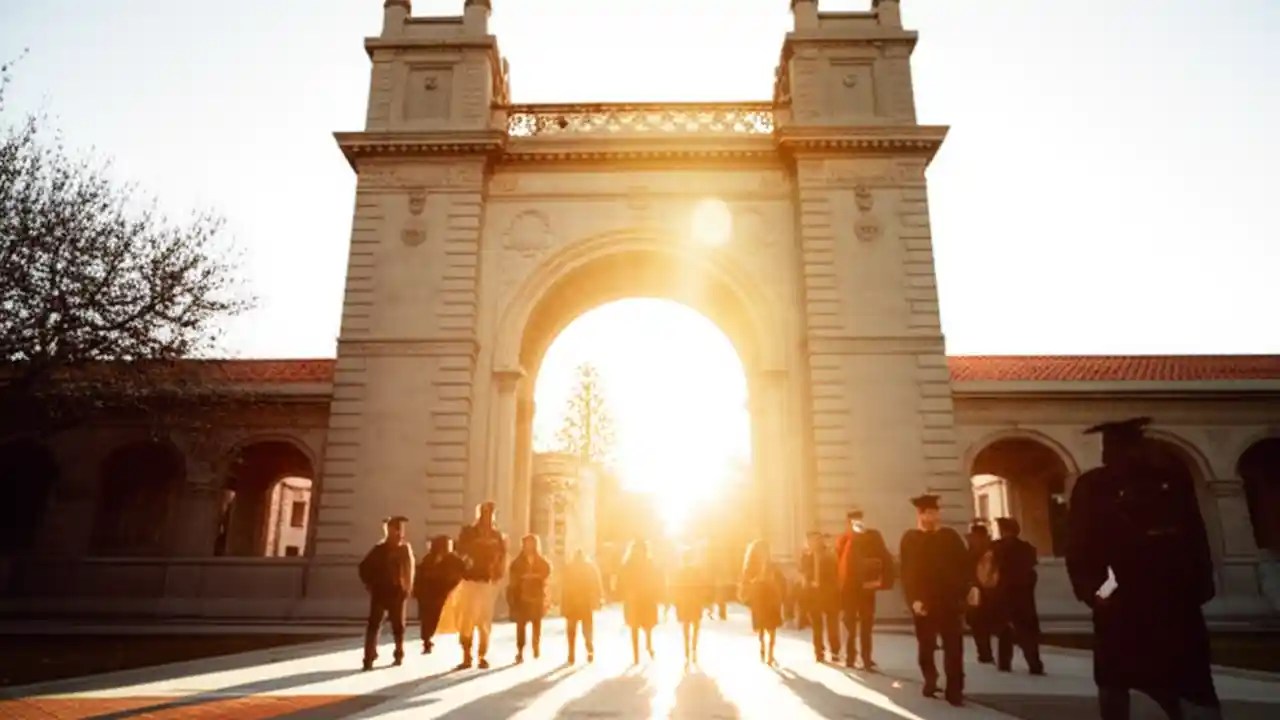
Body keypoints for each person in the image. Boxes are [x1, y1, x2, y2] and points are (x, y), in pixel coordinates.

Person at [1066, 417, 1220, 720]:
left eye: (1112, 447)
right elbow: (1197, 538)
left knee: (1171, 682)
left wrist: (1098, 593)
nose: (1107, 454)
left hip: (1155, 599)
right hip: (1151, 599)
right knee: (1129, 681)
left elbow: (1080, 549)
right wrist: (1099, 593)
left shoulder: (1161, 481)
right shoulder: (1168, 479)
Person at [900, 494, 971, 707]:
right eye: (928, 513)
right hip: (924, 602)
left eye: (935, 512)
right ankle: (930, 679)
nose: (933, 516)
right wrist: (913, 600)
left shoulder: (949, 537)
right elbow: (907, 573)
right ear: (920, 515)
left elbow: (964, 564)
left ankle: (955, 689)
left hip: (950, 600)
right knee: (926, 645)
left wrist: (970, 587)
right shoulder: (910, 539)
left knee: (954, 646)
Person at [836, 508, 895, 670]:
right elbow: (838, 564)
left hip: (866, 587)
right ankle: (851, 657)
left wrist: (881, 581)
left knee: (866, 624)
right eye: (851, 522)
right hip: (848, 588)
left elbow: (884, 557)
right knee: (850, 624)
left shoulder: (872, 537)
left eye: (858, 521)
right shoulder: (843, 540)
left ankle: (866, 657)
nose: (855, 525)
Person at [454, 501, 508, 670]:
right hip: (470, 581)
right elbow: (460, 551)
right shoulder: (468, 533)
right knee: (467, 620)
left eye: (490, 513)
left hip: (486, 582)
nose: (487, 516)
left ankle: (482, 655)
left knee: (484, 621)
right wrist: (465, 563)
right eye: (484, 513)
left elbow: (502, 556)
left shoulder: (497, 536)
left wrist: (498, 574)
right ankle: (466, 655)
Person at [358, 516, 416, 671]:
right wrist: (371, 584)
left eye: (398, 529)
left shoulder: (404, 549)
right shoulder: (379, 549)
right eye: (393, 529)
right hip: (381, 592)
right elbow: (363, 568)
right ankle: (369, 657)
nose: (396, 533)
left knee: (397, 626)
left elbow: (409, 570)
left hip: (397, 592)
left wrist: (407, 589)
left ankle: (398, 653)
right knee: (375, 624)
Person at [991, 517, 1044, 674]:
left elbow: (989, 571)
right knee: (1027, 631)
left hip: (1003, 595)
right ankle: (1034, 664)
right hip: (1024, 597)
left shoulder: (996, 548)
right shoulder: (1027, 548)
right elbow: (1032, 571)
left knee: (1004, 631)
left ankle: (1004, 663)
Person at [413, 535, 465, 655]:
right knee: (428, 620)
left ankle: (430, 640)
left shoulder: (453, 559)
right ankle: (427, 641)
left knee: (436, 619)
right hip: (431, 595)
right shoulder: (430, 559)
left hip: (444, 594)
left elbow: (462, 570)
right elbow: (422, 575)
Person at [740, 539, 786, 665]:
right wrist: (755, 580)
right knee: (761, 627)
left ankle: (770, 654)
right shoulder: (751, 566)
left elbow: (781, 579)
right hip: (759, 599)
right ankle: (762, 646)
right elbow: (746, 580)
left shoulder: (772, 565)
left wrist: (778, 588)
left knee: (772, 628)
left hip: (771, 598)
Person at [508, 534, 551, 664]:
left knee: (536, 624)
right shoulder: (518, 561)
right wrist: (522, 577)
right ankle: (520, 651)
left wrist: (536, 576)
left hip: (536, 597)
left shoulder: (540, 561)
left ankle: (535, 645)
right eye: (526, 543)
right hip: (522, 598)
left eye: (531, 543)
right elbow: (513, 572)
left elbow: (547, 570)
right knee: (521, 625)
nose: (529, 546)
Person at [619, 539, 663, 664]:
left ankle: (637, 654)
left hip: (634, 598)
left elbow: (622, 581)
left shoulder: (628, 564)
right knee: (646, 625)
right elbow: (657, 579)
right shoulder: (649, 563)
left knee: (635, 626)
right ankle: (647, 646)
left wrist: (623, 593)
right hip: (646, 598)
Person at [800, 531, 841, 662]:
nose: (814, 543)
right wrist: (809, 581)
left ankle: (834, 650)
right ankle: (819, 651)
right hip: (814, 595)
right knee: (817, 625)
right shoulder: (807, 556)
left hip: (829, 593)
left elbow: (835, 572)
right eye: (811, 540)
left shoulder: (829, 554)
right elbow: (804, 573)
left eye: (817, 540)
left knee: (832, 624)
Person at [562, 549, 604, 664]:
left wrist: (562, 603)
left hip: (573, 603)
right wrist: (599, 597)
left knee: (571, 630)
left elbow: (564, 587)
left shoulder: (569, 568)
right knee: (587, 629)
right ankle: (589, 648)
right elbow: (597, 584)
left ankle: (571, 653)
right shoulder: (590, 568)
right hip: (585, 603)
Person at [671, 548, 711, 667]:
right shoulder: (697, 572)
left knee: (686, 628)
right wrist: (706, 602)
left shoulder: (679, 573)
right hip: (695, 603)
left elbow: (675, 590)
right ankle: (694, 648)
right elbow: (703, 588)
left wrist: (675, 603)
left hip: (684, 603)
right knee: (696, 627)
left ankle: (687, 650)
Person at [965, 519, 997, 664]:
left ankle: (984, 653)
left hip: (976, 591)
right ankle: (988, 653)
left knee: (978, 625)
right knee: (986, 624)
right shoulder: (992, 549)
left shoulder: (972, 551)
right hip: (989, 591)